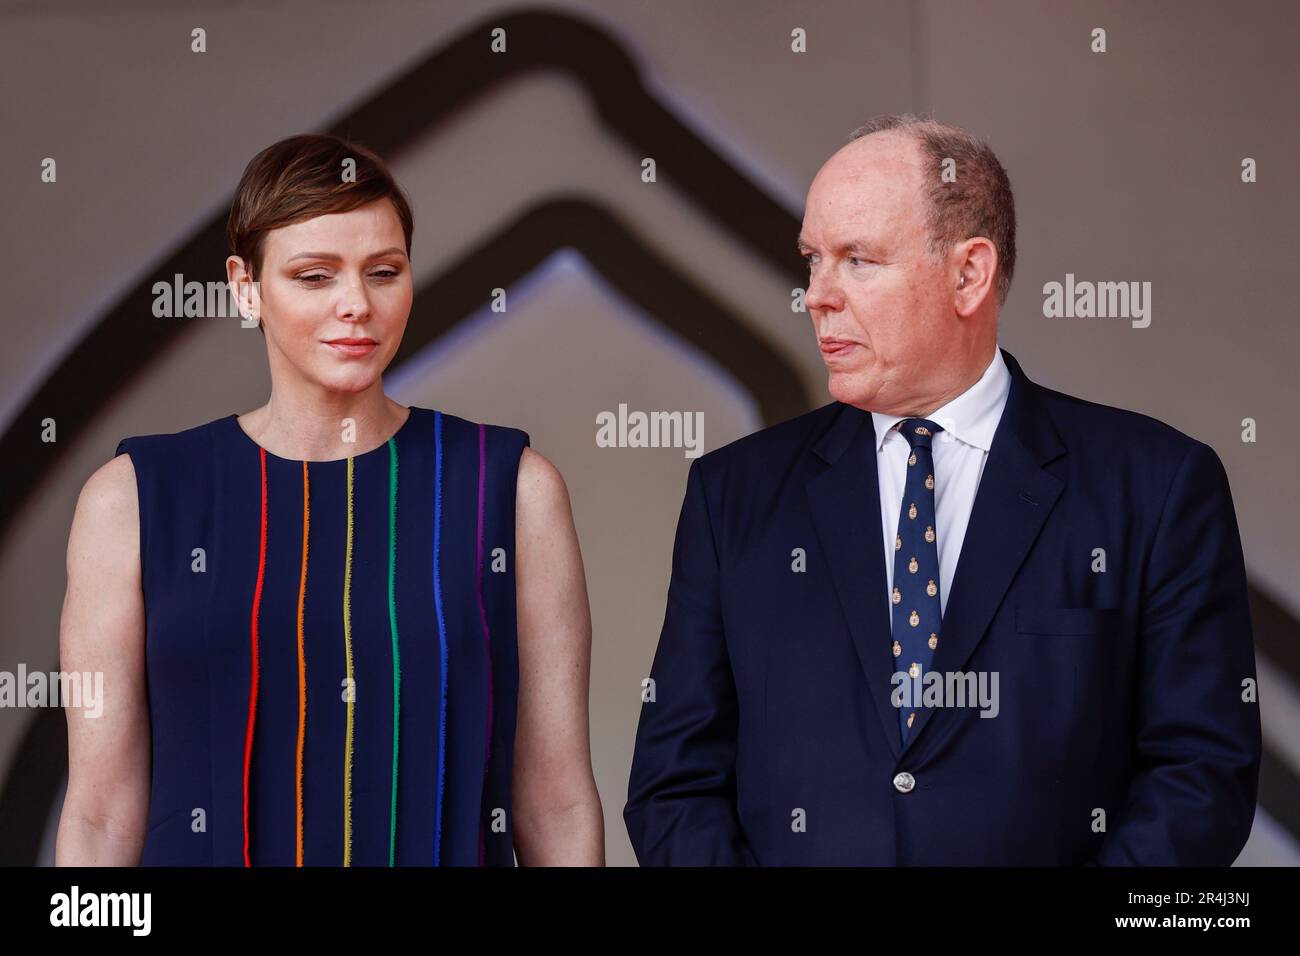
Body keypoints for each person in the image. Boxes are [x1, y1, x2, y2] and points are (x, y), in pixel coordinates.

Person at [624, 114, 1261, 865]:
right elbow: (673, 787)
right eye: (812, 261)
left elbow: (1202, 778)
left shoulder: (1155, 485)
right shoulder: (732, 496)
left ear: (969, 273)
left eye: (857, 260)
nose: (816, 297)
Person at [57, 134, 602, 866]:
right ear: (244, 288)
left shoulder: (512, 489)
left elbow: (558, 804)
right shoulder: (133, 500)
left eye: (384, 271)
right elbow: (97, 818)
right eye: (315, 276)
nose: (357, 305)